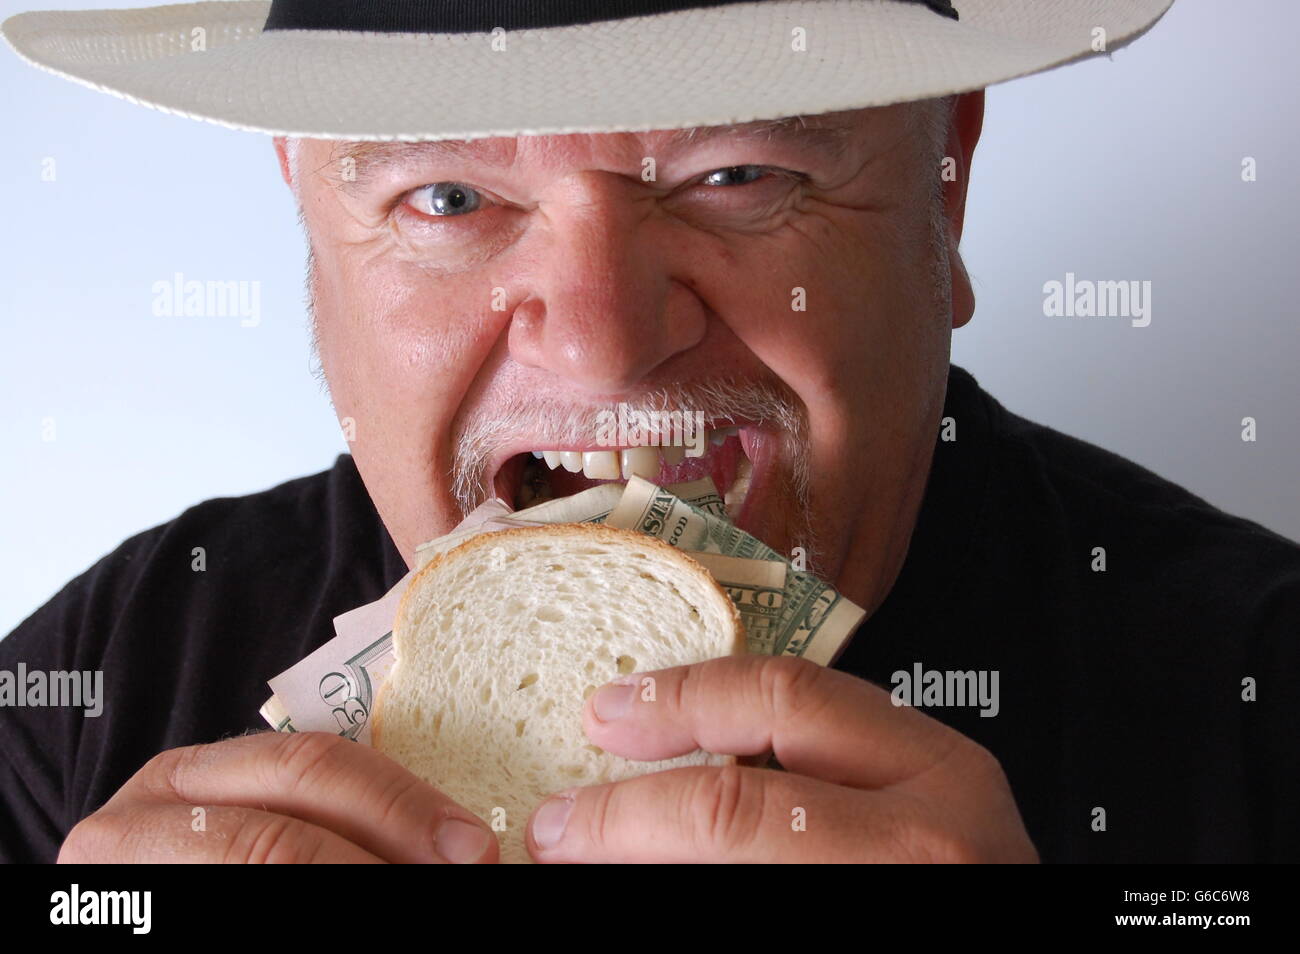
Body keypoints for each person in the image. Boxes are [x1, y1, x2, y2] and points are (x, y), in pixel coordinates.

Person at [2, 0, 1294, 864]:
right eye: (446, 195)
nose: (604, 336)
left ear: (943, 191)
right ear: (300, 202)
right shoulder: (86, 694)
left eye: (738, 176)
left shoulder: (1260, 704)